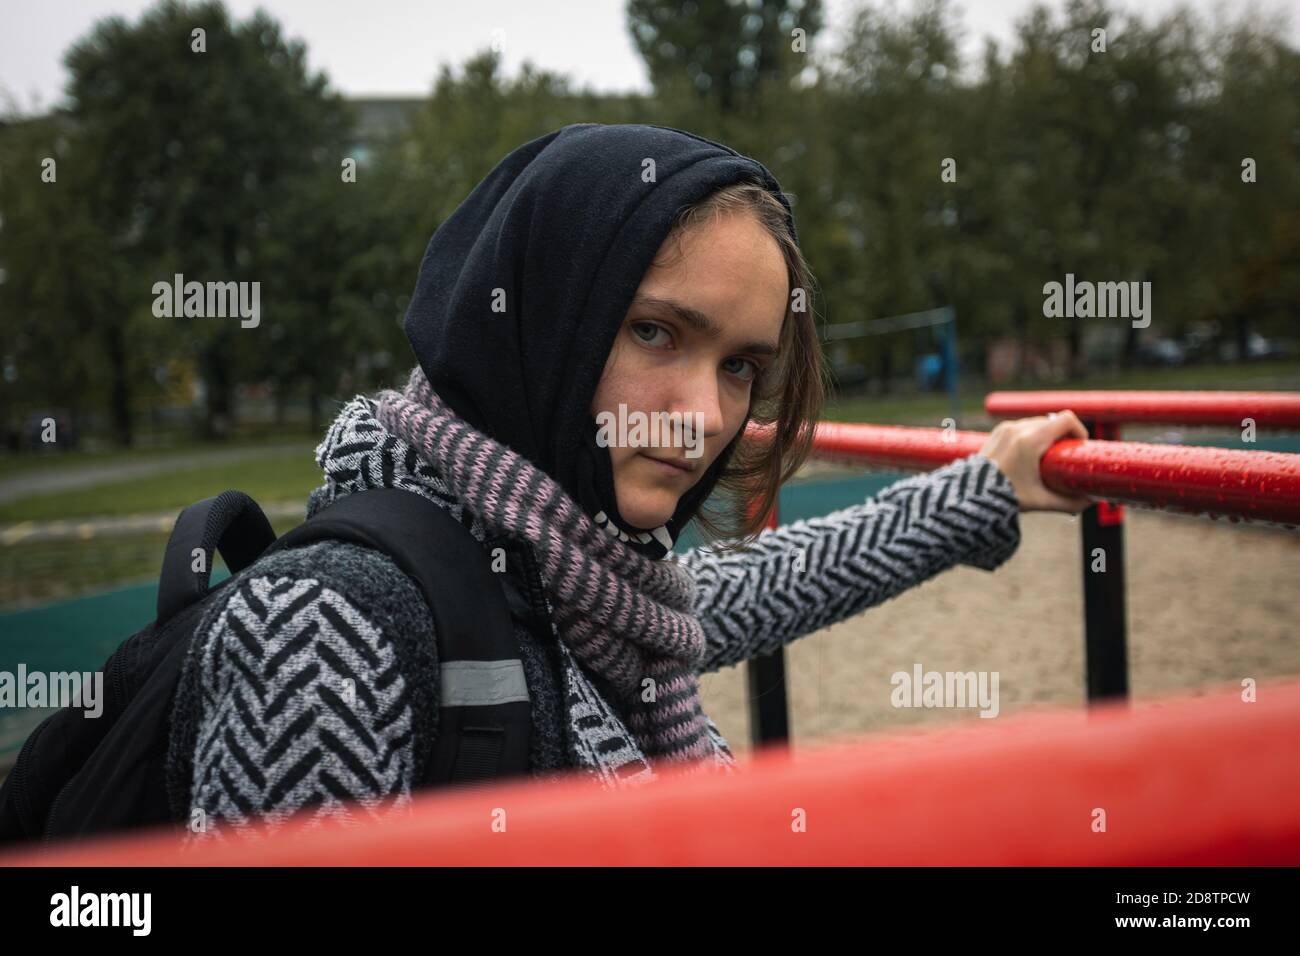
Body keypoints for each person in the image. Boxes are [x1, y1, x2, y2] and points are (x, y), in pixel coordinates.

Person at [166, 123, 1090, 839]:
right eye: (656, 332)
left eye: (739, 366)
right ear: (540, 319)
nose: (703, 414)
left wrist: (982, 491)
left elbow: (736, 593)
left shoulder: (581, 585)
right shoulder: (331, 625)